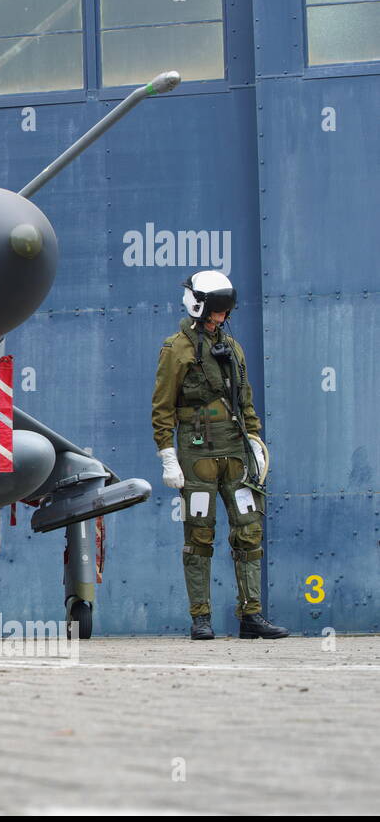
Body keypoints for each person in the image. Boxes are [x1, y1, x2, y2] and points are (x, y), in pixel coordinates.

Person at [151, 270, 288, 640]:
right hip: (197, 455)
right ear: (200, 307)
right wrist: (167, 454)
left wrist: (255, 443)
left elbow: (245, 402)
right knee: (199, 535)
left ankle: (251, 616)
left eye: (226, 311)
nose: (222, 317)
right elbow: (162, 408)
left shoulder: (233, 348)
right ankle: (201, 618)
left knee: (249, 531)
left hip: (235, 452)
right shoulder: (176, 349)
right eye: (217, 311)